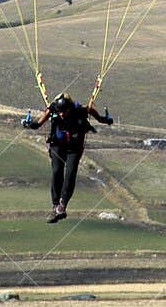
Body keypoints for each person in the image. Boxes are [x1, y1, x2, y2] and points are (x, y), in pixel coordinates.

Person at [23, 93, 113, 222]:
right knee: (57, 171)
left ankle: (62, 205)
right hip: (57, 145)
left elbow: (95, 114)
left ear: (69, 108)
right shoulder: (52, 109)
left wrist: (105, 120)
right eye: (60, 112)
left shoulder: (79, 110)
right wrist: (28, 124)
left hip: (74, 147)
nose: (61, 114)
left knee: (70, 173)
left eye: (64, 112)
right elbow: (38, 123)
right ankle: (55, 205)